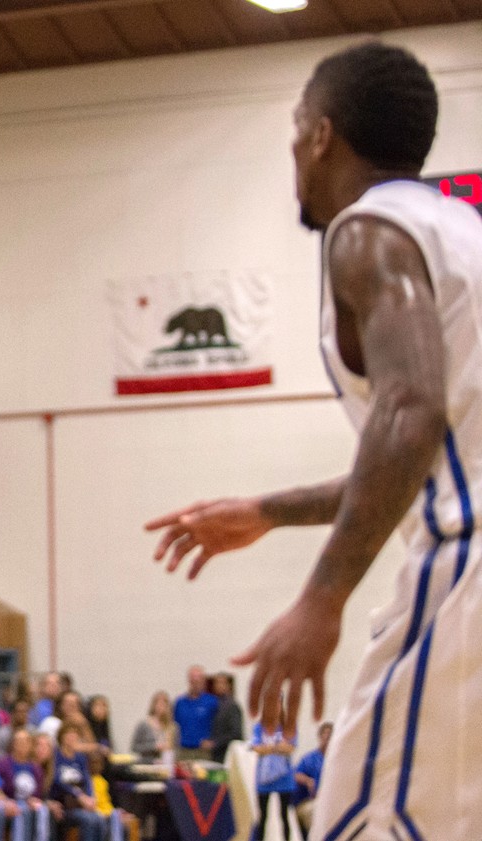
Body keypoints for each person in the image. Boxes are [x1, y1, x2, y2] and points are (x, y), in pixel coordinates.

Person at [145, 42, 482, 841]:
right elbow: (431, 456)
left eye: (298, 127)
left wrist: (322, 598)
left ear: (322, 134)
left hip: (467, 570)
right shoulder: (463, 230)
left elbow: (410, 410)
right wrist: (267, 508)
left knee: (359, 821)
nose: (293, 148)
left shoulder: (369, 231)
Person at [251, 721, 297, 841]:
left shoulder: (288, 726)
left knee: (284, 815)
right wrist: (277, 747)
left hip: (284, 777)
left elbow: (290, 748)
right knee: (262, 816)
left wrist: (269, 747)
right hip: (264, 778)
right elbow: (256, 748)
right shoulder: (259, 727)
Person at [293, 722, 332, 834]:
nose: (329, 738)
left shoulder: (336, 759)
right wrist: (308, 781)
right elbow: (295, 775)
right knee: (314, 812)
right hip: (309, 802)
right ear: (320, 736)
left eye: (331, 735)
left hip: (329, 801)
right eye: (326, 734)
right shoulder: (310, 758)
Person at [171, 666, 218, 759]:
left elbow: (219, 725)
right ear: (189, 681)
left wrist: (213, 741)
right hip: (183, 750)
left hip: (202, 751)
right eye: (193, 681)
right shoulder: (180, 702)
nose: (196, 684)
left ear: (203, 682)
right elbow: (173, 724)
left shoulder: (212, 702)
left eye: (198, 681)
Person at [129, 691, 180, 764]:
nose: (162, 707)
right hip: (147, 764)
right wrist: (154, 747)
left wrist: (169, 750)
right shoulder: (144, 725)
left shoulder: (173, 727)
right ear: (153, 705)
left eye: (165, 704)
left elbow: (177, 749)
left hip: (166, 764)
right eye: (159, 704)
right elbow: (134, 747)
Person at [208, 673, 245, 763]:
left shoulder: (232, 706)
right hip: (214, 755)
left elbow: (236, 733)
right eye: (216, 683)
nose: (219, 686)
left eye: (222, 683)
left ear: (229, 686)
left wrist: (215, 743)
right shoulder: (213, 704)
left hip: (227, 754)